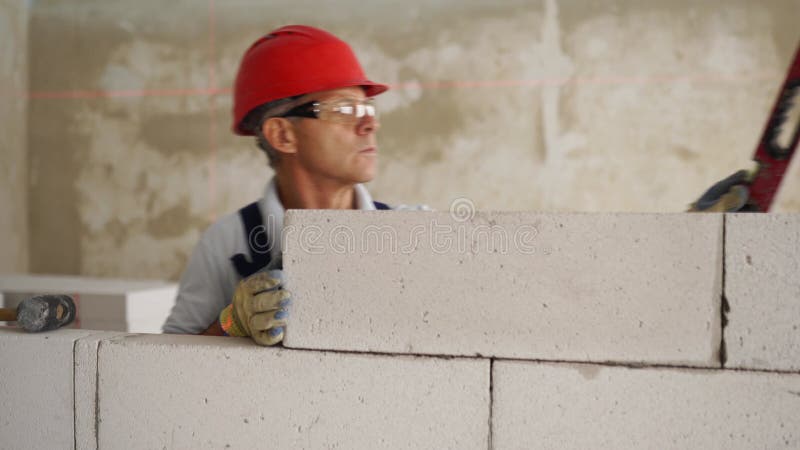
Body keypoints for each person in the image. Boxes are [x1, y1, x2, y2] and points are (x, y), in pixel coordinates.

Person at [162, 25, 392, 345]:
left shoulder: (414, 232)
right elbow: (167, 360)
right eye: (343, 109)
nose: (370, 123)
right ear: (282, 135)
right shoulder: (227, 243)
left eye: (367, 108)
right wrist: (232, 322)